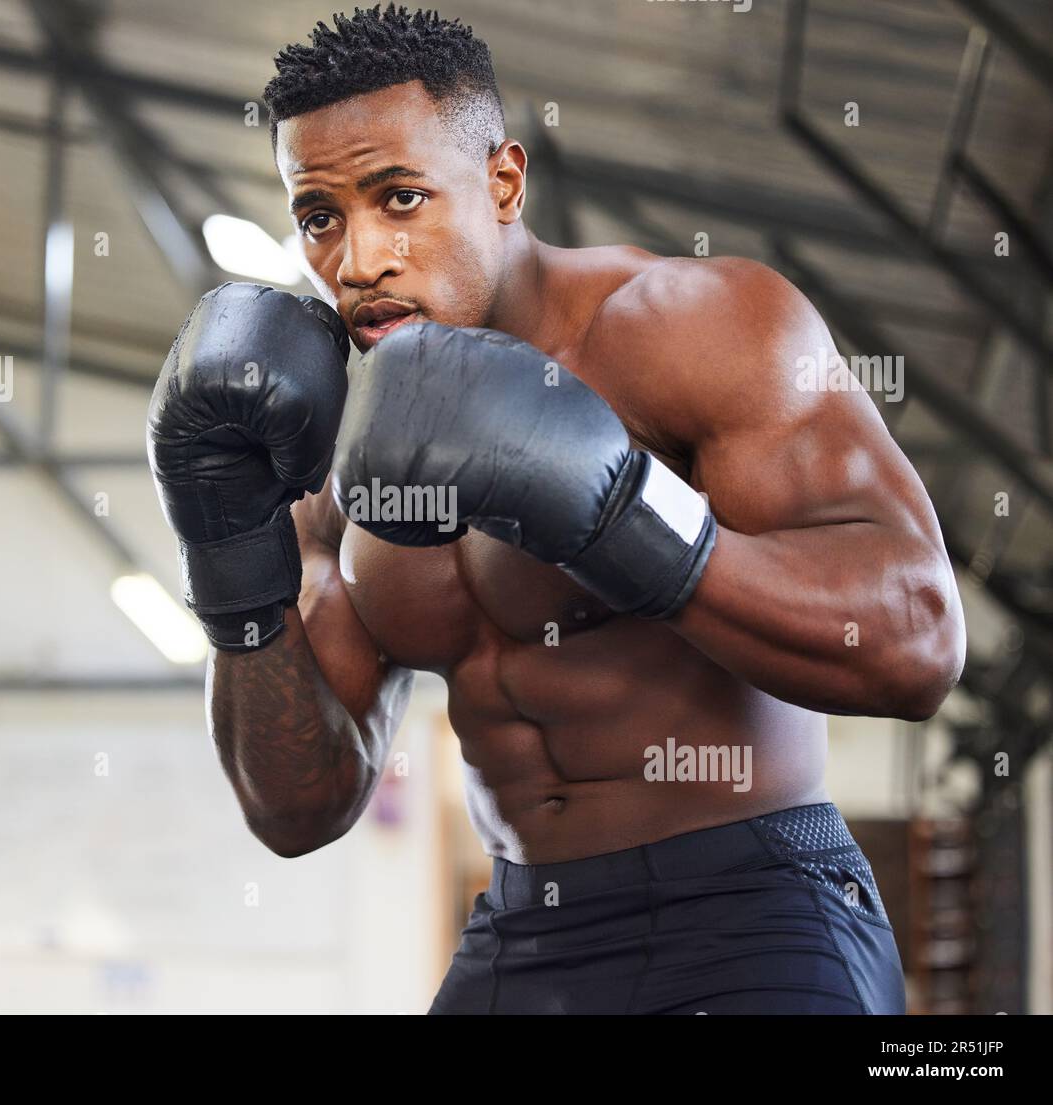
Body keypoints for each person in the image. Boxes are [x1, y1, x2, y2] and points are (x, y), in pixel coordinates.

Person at [147, 5, 965, 1014]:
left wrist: (620, 509)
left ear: (502, 181)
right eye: (318, 215)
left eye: (398, 198)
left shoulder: (692, 328)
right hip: (523, 926)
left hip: (753, 905)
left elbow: (917, 644)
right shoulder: (330, 456)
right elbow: (299, 805)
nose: (358, 260)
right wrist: (230, 554)